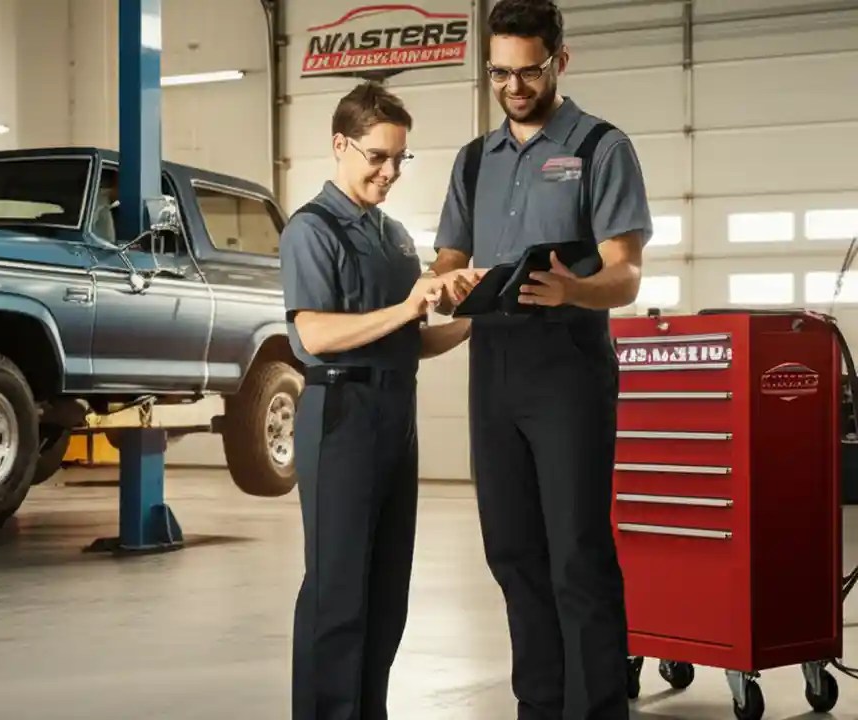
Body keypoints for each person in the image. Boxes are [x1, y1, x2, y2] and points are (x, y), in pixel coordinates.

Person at [430, 1, 652, 718]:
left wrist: (573, 290)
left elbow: (626, 273)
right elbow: (449, 257)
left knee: (577, 557)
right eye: (500, 73)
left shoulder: (601, 147)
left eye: (529, 71)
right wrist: (451, 278)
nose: (514, 86)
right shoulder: (473, 160)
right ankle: (541, 707)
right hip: (491, 362)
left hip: (568, 367)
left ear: (560, 59)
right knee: (513, 555)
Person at [279, 81, 484, 720]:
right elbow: (312, 334)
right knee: (338, 595)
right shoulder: (312, 231)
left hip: (397, 414)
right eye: (377, 157)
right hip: (340, 415)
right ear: (341, 145)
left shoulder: (393, 234)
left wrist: (485, 315)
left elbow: (408, 340)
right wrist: (406, 306)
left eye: (401, 159)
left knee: (386, 592)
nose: (390, 172)